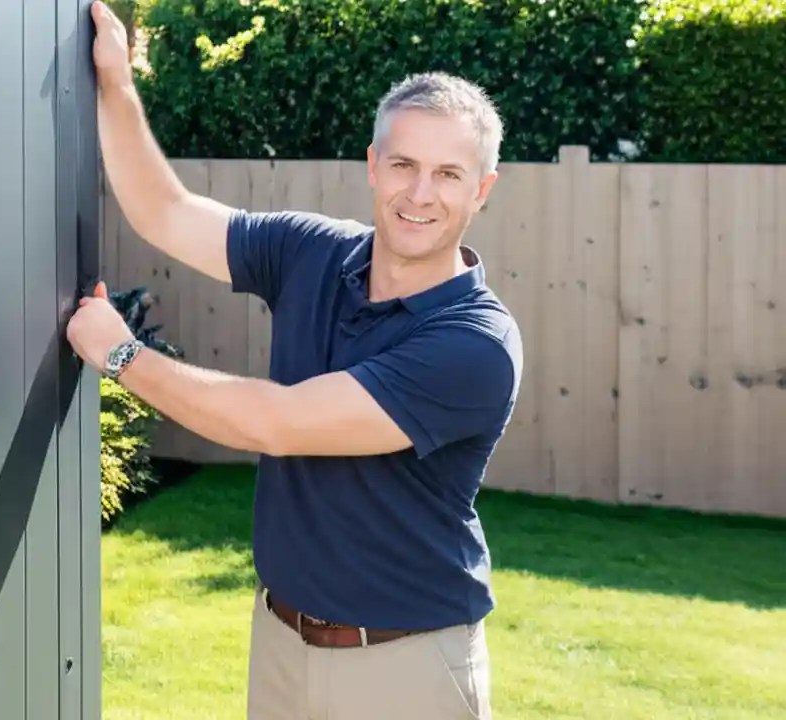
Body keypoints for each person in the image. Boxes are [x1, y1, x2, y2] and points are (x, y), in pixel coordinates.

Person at [67, 3, 521, 718]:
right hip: (280, 639)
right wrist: (116, 83)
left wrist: (121, 354)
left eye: (448, 174)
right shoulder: (315, 251)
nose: (420, 194)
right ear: (372, 167)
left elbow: (276, 422)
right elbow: (165, 213)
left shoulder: (475, 346)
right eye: (403, 165)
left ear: (482, 191)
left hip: (405, 665)